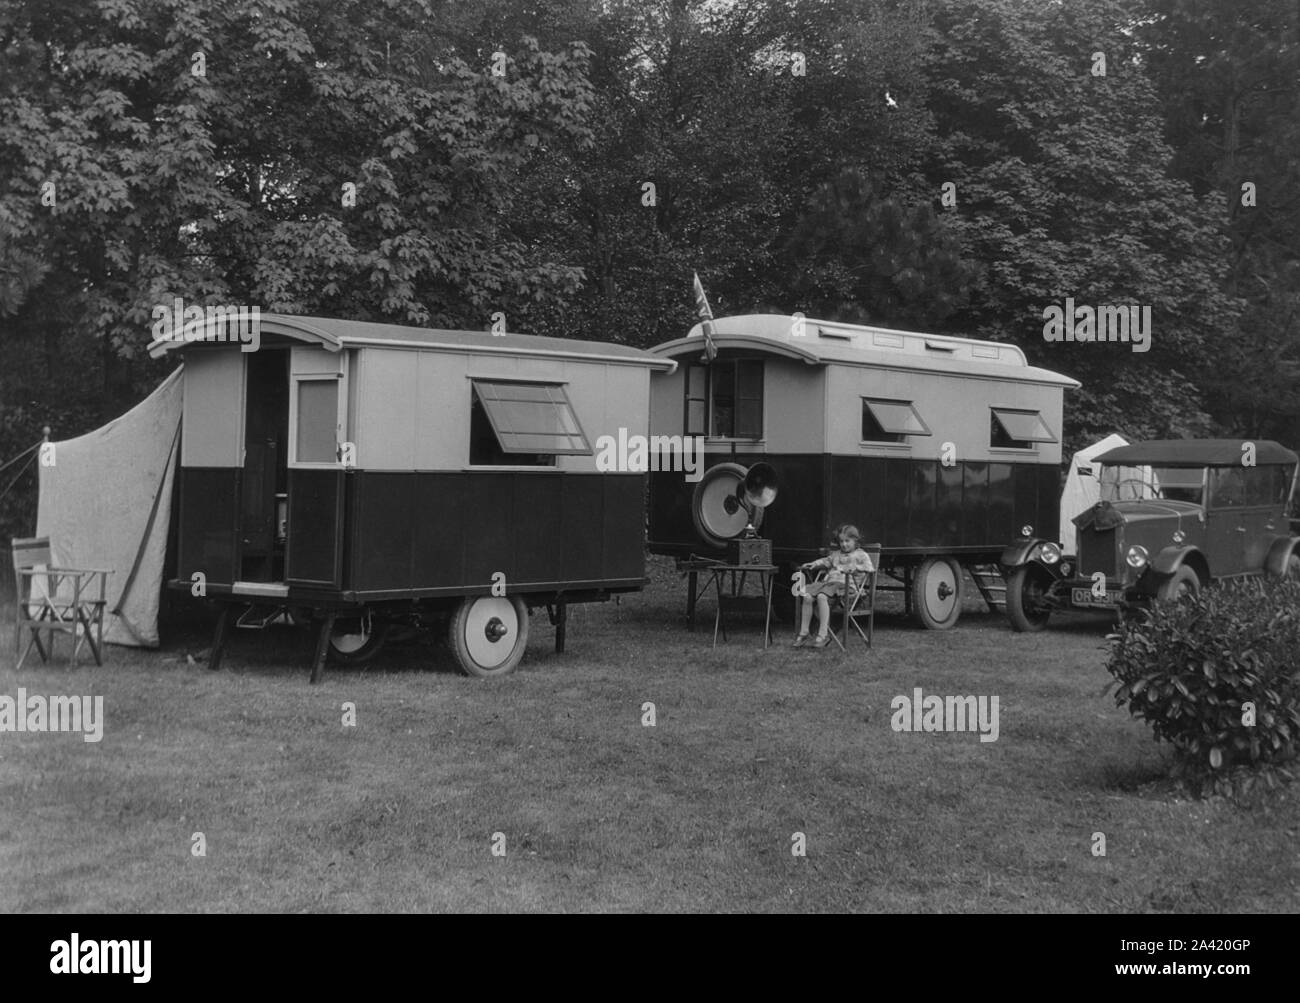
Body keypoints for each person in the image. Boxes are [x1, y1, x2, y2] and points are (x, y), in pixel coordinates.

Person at [792, 524, 875, 649]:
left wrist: (856, 568)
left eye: (847, 541)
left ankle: (823, 634)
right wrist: (813, 564)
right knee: (807, 596)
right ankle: (804, 633)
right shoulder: (836, 554)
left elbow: (870, 568)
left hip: (848, 585)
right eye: (841, 541)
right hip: (829, 584)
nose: (844, 544)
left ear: (856, 541)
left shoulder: (861, 554)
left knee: (821, 596)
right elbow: (826, 561)